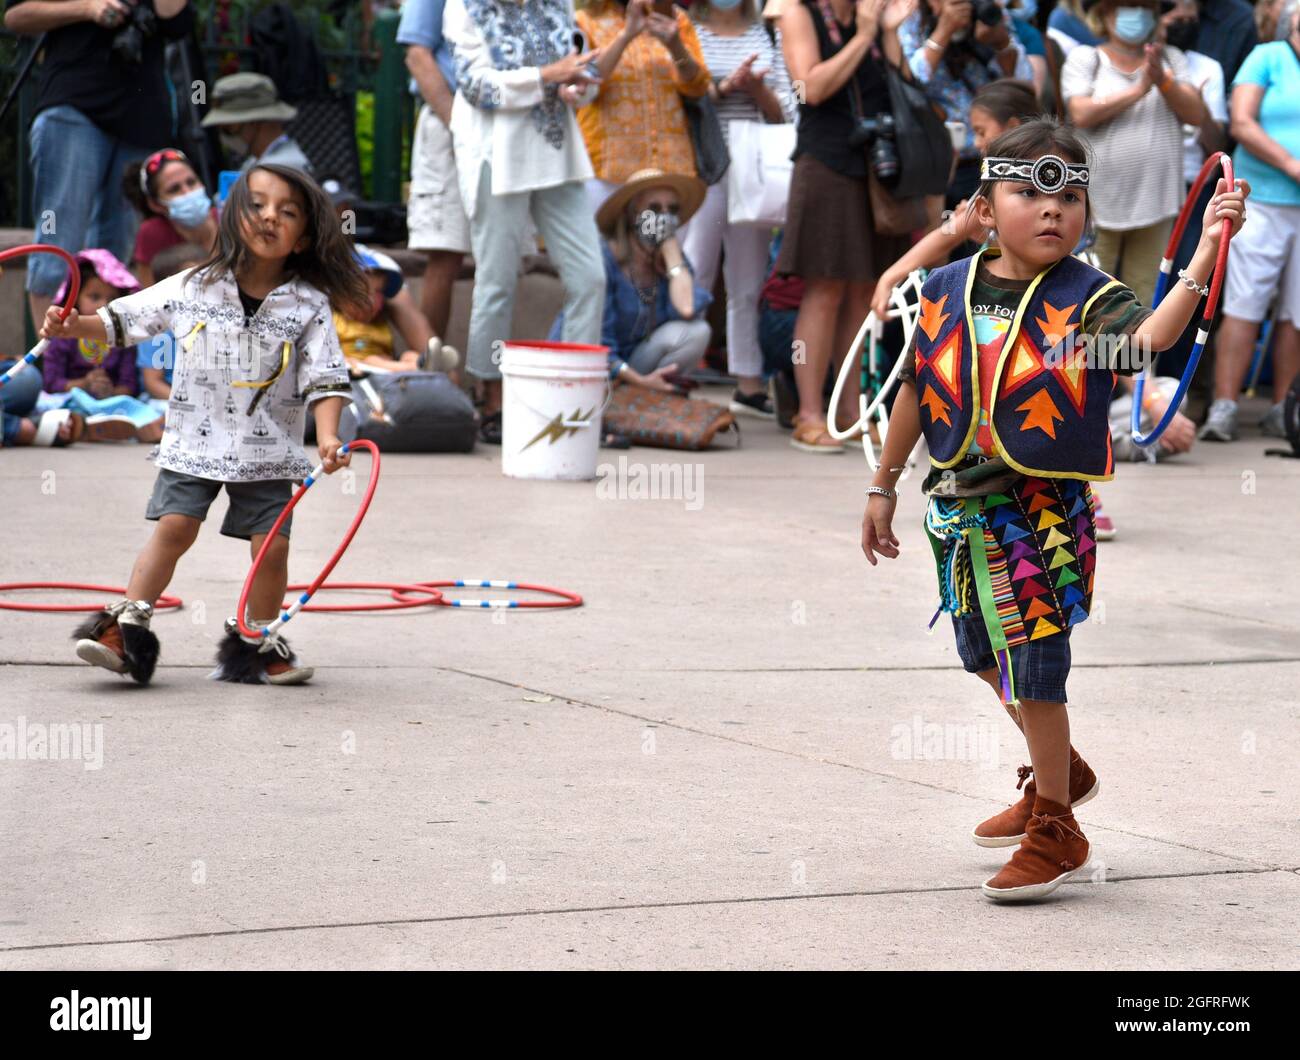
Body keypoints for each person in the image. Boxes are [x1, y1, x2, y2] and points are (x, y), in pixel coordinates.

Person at [861, 118, 1246, 901]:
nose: (1052, 213)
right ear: (984, 208)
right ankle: (1058, 769)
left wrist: (1205, 252)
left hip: (1040, 512)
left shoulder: (1087, 303)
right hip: (959, 509)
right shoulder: (945, 290)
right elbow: (916, 389)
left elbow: (1144, 343)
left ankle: (1058, 826)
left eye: (1070, 198)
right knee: (979, 654)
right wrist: (883, 483)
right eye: (1028, 196)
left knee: (1036, 666)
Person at [41, 163, 368, 688]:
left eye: (287, 213)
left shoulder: (309, 304)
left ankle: (256, 640)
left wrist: (328, 436)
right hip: (194, 440)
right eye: (257, 205)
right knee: (174, 528)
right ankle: (127, 629)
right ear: (233, 215)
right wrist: (70, 325)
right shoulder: (195, 285)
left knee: (273, 546)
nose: (269, 217)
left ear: (304, 238)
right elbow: (124, 319)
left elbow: (327, 380)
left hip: (269, 452)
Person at [443, 0, 610, 445]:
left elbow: (582, 75)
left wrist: (575, 86)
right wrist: (546, 77)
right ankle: (491, 399)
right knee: (497, 282)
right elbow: (477, 87)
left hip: (557, 154)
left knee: (590, 278)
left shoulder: (559, 4)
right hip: (494, 156)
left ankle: (571, 402)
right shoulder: (465, 7)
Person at [4, 0, 195, 336]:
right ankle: (51, 370)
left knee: (114, 257)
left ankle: (100, 368)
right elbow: (16, 16)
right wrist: (88, 8)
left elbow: (178, 23)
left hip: (141, 118)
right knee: (57, 238)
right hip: (73, 105)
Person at [777, 0, 915, 453]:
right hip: (826, 163)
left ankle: (850, 412)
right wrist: (861, 36)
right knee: (825, 290)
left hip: (876, 170)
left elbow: (906, 87)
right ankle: (809, 413)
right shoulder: (799, 11)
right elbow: (809, 87)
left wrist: (888, 32)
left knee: (862, 291)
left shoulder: (872, 14)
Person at [682, 0, 795, 418]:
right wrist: (724, 87)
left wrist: (756, 90)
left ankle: (749, 385)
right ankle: (675, 373)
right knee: (694, 271)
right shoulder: (685, 29)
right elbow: (678, 92)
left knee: (748, 282)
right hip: (701, 163)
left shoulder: (768, 32)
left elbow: (787, 109)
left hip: (754, 168)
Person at [1061, 0, 1207, 308]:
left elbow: (1196, 114)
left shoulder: (1171, 59)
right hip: (1095, 208)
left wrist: (1163, 80)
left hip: (1155, 203)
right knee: (1087, 299)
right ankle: (1083, 359)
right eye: (1127, 5)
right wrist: (1139, 89)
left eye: (1145, 6)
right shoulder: (1086, 58)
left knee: (1142, 302)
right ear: (1103, 13)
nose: (1137, 13)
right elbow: (1080, 113)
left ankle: (1133, 359)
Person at [1201, 1, 1300, 440]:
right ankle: (1225, 406)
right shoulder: (1268, 56)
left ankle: (1285, 408)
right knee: (1245, 303)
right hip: (1261, 199)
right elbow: (1241, 122)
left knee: (1297, 313)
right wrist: (1293, 165)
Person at [553, 169, 712, 391]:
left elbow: (686, 308)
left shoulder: (670, 257)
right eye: (654, 209)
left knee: (697, 332)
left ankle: (649, 394)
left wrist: (671, 253)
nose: (664, 217)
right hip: (585, 365)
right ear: (632, 213)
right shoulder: (604, 260)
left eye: (672, 209)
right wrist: (639, 380)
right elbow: (598, 341)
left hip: (633, 364)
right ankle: (637, 391)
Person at [576, 0, 713, 212]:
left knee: (658, 242)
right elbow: (584, 86)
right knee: (606, 244)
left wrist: (676, 46)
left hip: (669, 170)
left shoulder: (676, 18)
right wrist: (626, 36)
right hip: (608, 173)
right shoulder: (585, 21)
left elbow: (697, 87)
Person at [898, 0, 1035, 201]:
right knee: (951, 228)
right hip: (943, 159)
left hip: (994, 156)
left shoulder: (988, 9)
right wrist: (944, 31)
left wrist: (1001, 43)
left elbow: (1021, 85)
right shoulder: (912, 18)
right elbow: (911, 82)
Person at [398, 0, 471, 348]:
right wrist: (458, 126)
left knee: (502, 260)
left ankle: (492, 390)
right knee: (445, 254)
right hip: (451, 117)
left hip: (508, 124)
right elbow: (417, 55)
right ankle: (429, 378)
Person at [40, 248, 165, 443]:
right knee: (48, 405)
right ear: (75, 298)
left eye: (112, 300)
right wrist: (84, 384)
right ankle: (84, 425)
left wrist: (111, 392)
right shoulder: (63, 338)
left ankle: (100, 427)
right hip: (69, 399)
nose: (103, 306)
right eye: (94, 297)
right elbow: (51, 382)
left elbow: (129, 384)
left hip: (112, 403)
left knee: (143, 407)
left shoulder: (124, 340)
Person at [123, 148, 219, 286]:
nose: (187, 192)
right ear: (156, 204)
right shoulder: (152, 234)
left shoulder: (228, 218)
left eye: (191, 182)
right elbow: (148, 295)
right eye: (174, 189)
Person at [137, 242, 210, 411]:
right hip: (166, 399)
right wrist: (188, 405)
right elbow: (153, 382)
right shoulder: (156, 327)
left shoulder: (213, 322)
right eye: (194, 280)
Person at [200, 73, 313, 174]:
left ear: (253, 122)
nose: (224, 136)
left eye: (227, 128)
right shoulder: (259, 161)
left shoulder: (276, 170)